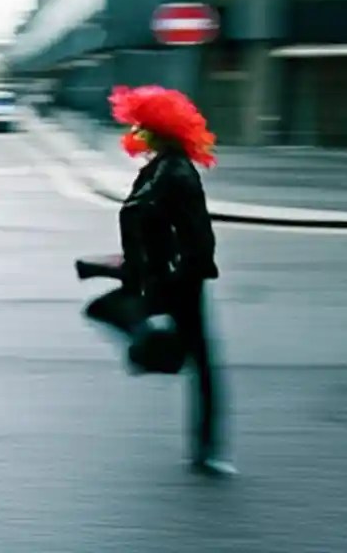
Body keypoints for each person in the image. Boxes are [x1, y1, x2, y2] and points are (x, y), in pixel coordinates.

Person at [84, 84, 235, 478]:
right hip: (176, 275)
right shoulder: (168, 167)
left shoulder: (172, 170)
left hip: (173, 276)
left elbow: (141, 215)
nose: (137, 134)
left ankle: (149, 348)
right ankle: (204, 448)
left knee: (196, 359)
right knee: (202, 364)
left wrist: (137, 262)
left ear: (161, 131)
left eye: (143, 127)